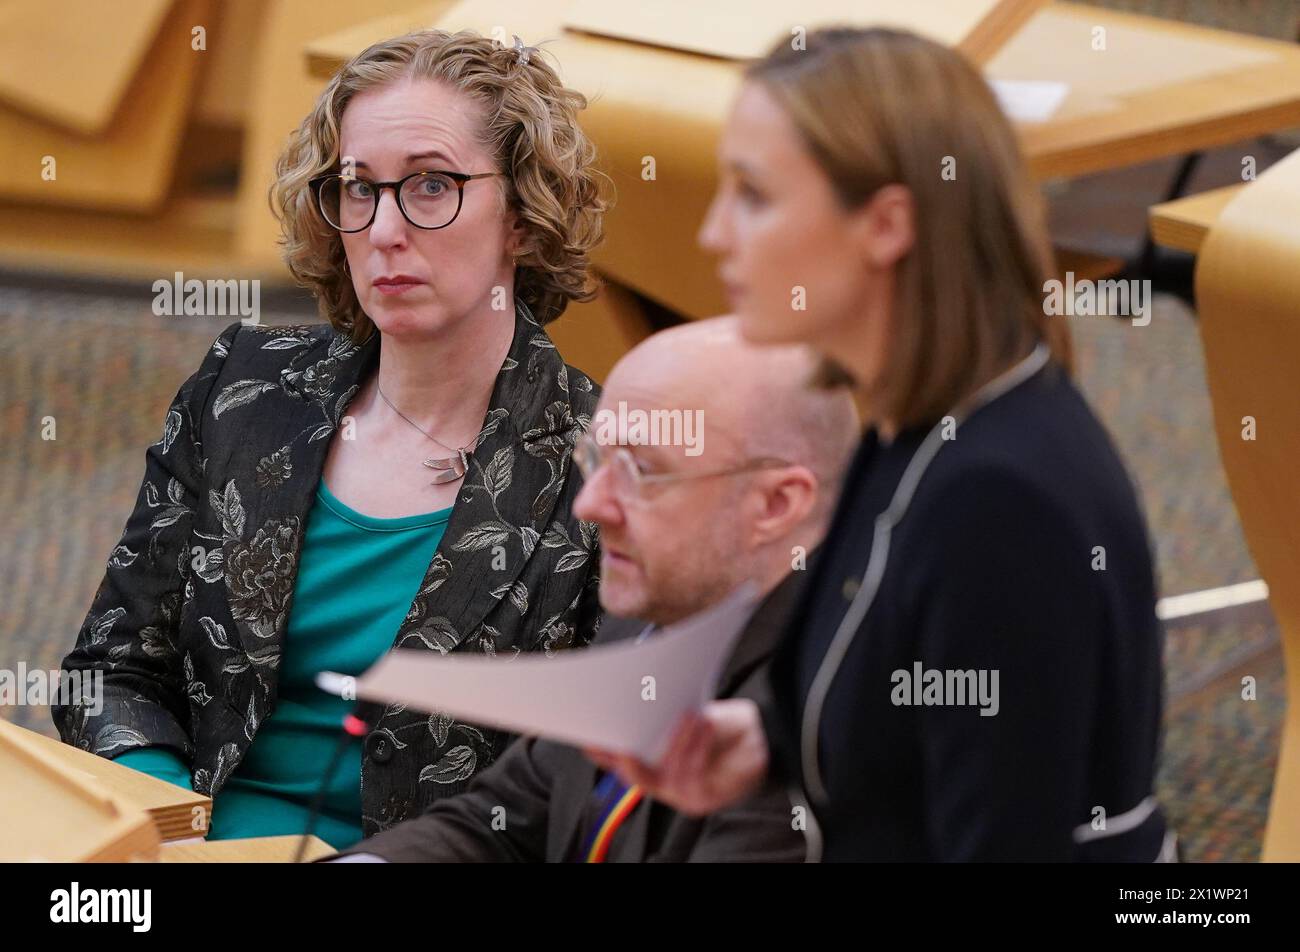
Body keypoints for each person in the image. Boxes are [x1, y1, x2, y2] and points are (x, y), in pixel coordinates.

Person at [587, 28, 1173, 862]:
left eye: (752, 195)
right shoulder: (912, 420)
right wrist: (762, 741)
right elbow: (898, 699)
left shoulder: (996, 500)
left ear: (886, 224)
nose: (716, 234)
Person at [53, 30, 607, 849]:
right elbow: (112, 671)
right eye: (358, 189)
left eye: (430, 186)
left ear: (523, 217)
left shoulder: (606, 462)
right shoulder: (244, 387)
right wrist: (176, 830)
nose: (384, 228)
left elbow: (583, 785)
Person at [324, 317, 858, 861]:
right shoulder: (651, 619)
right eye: (597, 461)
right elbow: (501, 824)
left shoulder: (827, 714)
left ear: (776, 504)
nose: (591, 505)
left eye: (643, 471)